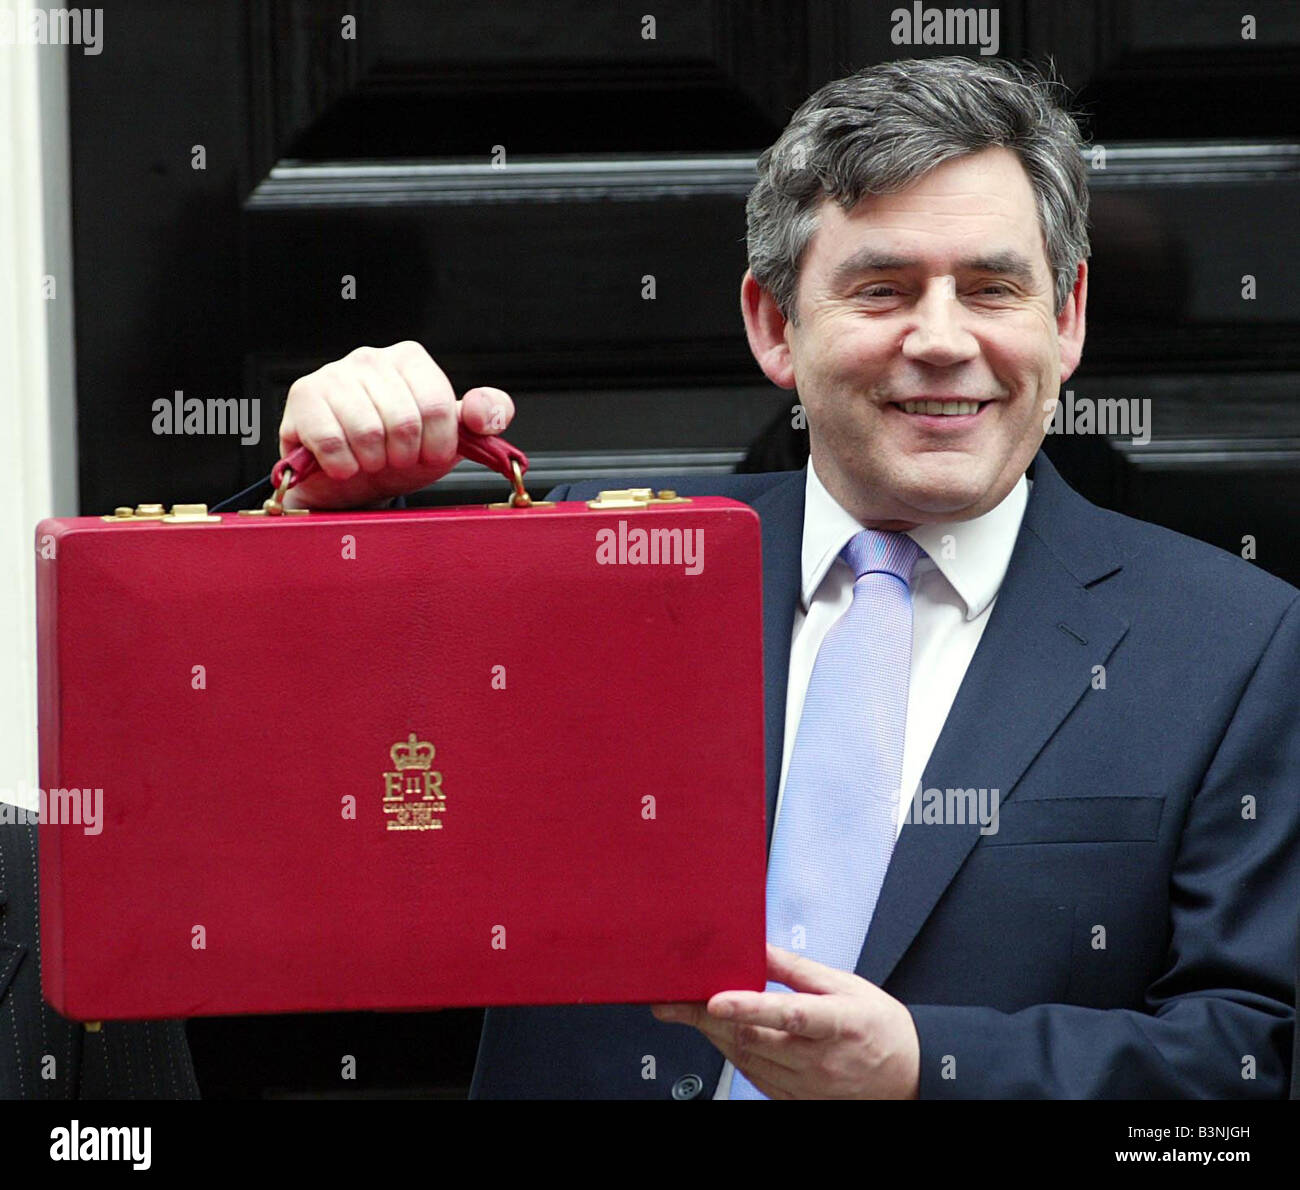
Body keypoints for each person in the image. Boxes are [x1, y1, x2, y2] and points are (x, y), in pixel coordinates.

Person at [273, 57, 1300, 1099]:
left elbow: (1249, 1058)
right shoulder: (587, 562)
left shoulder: (1234, 648)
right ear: (774, 325)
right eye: (881, 289)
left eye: (991, 288)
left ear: (1066, 317)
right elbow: (264, 751)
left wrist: (924, 1070)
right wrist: (319, 500)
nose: (942, 339)